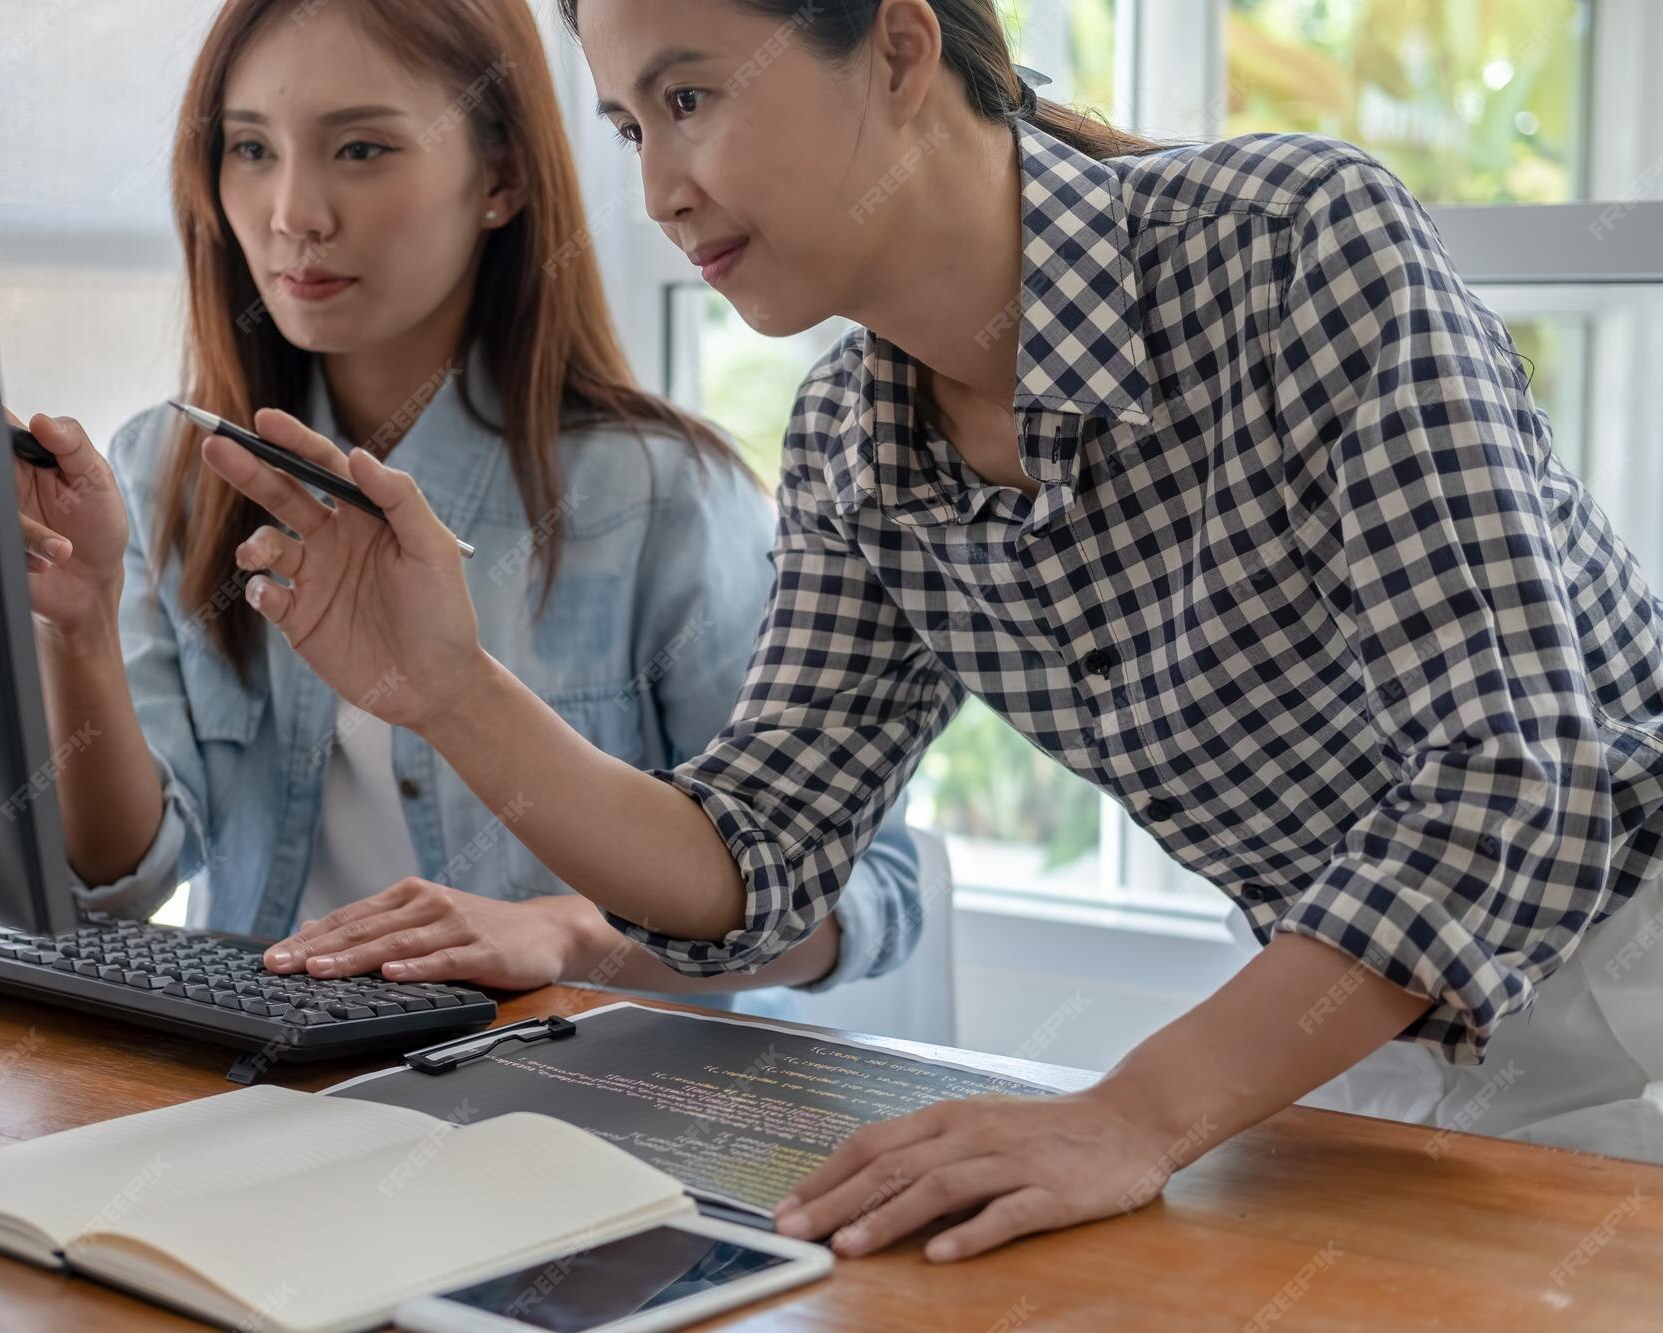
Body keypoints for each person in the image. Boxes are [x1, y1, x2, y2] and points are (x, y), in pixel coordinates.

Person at [198, 0, 1663, 1264]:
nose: (661, 189)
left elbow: (1513, 780)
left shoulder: (1292, 244)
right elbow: (754, 862)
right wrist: (452, 689)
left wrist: (1130, 1112)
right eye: (633, 128)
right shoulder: (853, 433)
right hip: (1367, 1023)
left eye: (693, 97)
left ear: (898, 47)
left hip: (1633, 976)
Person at [6, 0, 924, 1019]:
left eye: (360, 148)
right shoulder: (168, 471)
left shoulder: (660, 495)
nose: (292, 212)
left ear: (500, 178)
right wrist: (74, 626)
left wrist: (567, 933)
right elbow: (122, 878)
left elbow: (863, 896)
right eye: (250, 149)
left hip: (572, 1118)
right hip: (270, 1090)